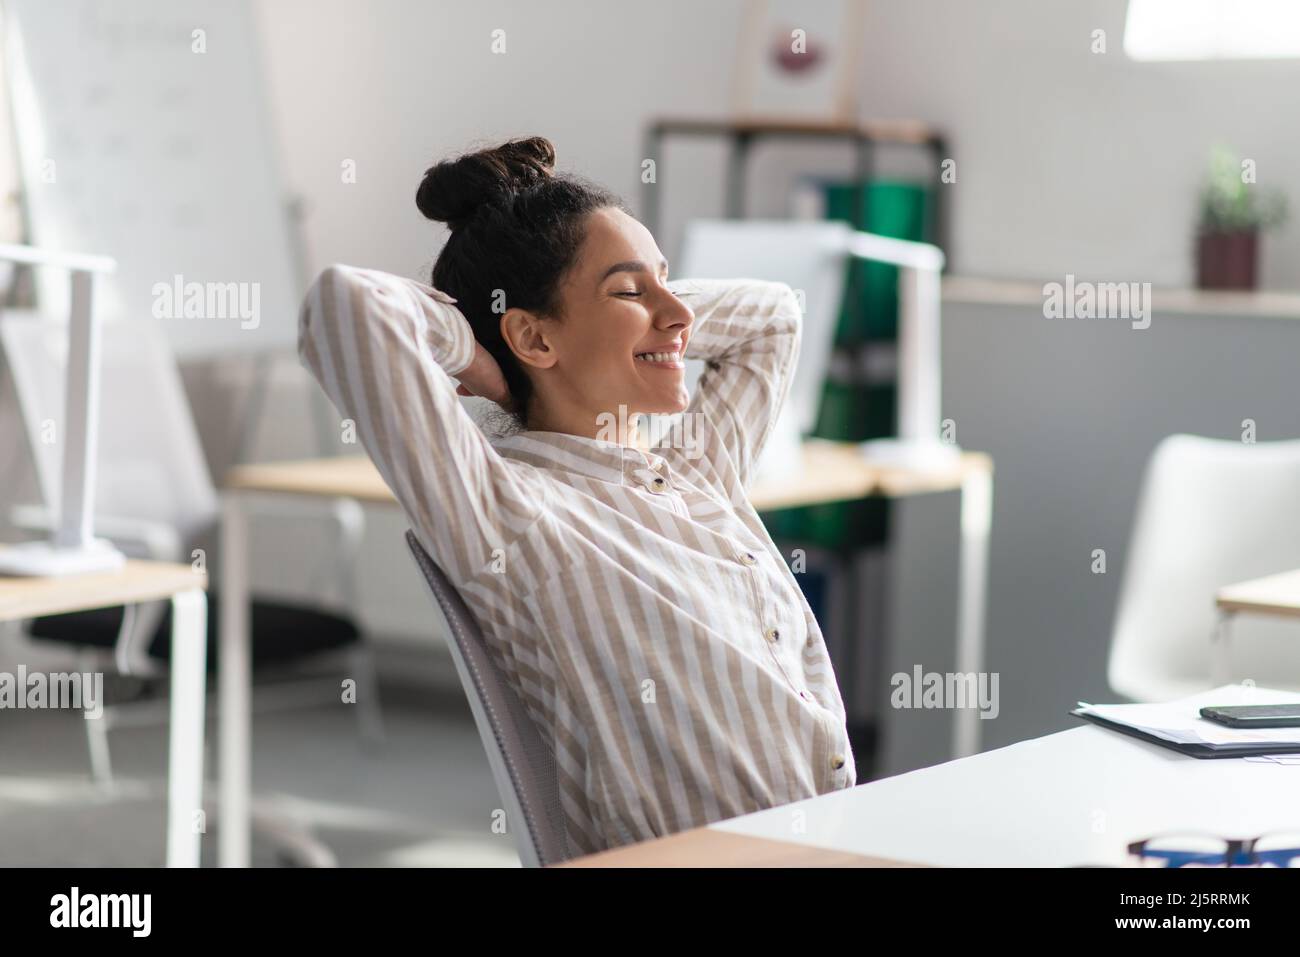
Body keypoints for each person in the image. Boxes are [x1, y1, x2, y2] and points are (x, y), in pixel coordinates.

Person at [298, 136, 856, 857]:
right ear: (531, 334)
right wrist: (482, 352)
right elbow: (346, 307)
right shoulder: (510, 509)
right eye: (630, 290)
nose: (679, 312)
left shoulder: (698, 470)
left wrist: (641, 314)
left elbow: (774, 316)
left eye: (667, 281)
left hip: (832, 841)